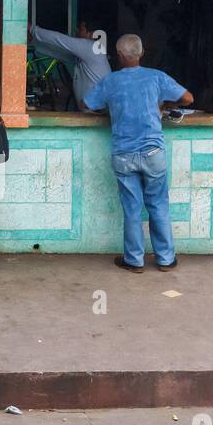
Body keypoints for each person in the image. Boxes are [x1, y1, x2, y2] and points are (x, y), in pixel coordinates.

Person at [83, 34, 193, 273]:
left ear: (119, 56)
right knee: (158, 205)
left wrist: (114, 107)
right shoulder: (156, 77)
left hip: (123, 154)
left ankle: (134, 260)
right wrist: (165, 106)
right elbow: (187, 98)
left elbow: (89, 103)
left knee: (132, 208)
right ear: (141, 53)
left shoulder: (110, 81)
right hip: (153, 152)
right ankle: (165, 259)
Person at [30, 17, 112, 110]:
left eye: (81, 30)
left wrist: (33, 30)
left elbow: (60, 40)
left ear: (91, 34)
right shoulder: (85, 55)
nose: (77, 32)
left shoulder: (93, 47)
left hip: (97, 111)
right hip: (91, 110)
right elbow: (59, 53)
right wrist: (33, 43)